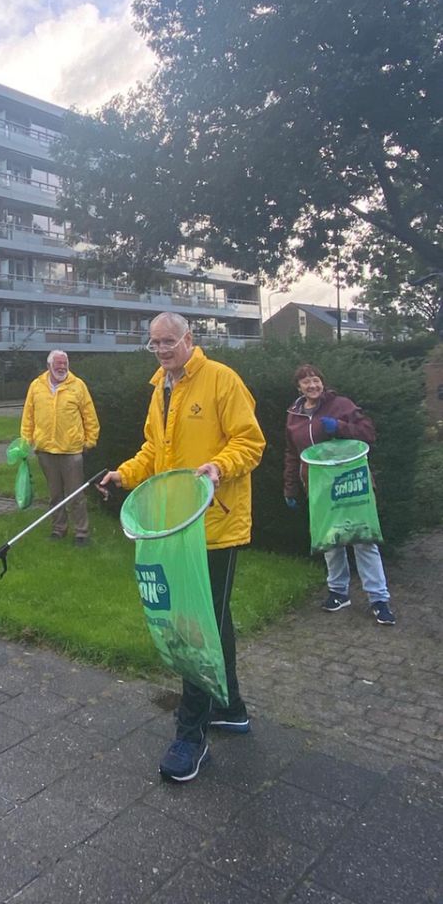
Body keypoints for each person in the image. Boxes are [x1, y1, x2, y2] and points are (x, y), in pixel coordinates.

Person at [99, 313, 265, 784]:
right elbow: (155, 449)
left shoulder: (222, 380)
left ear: (190, 339)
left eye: (169, 341)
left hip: (215, 525)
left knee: (196, 625)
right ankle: (231, 708)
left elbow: (251, 442)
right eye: (154, 344)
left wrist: (219, 466)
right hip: (178, 526)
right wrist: (125, 474)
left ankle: (190, 737)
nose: (162, 350)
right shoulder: (161, 389)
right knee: (214, 618)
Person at [284, 363, 395, 625]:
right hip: (319, 487)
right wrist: (290, 487)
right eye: (306, 382)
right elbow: (291, 453)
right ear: (298, 387)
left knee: (362, 539)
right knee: (330, 540)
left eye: (316, 380)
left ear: (323, 382)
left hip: (350, 482)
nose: (312, 385)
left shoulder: (341, 405)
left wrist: (342, 427)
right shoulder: (293, 415)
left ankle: (379, 599)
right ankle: (338, 592)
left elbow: (369, 433)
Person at [21, 350, 100, 545]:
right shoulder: (36, 386)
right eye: (58, 364)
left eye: (65, 364)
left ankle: (81, 533)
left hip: (71, 450)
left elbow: (90, 415)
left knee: (76, 495)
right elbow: (28, 416)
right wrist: (25, 441)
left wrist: (90, 440)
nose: (62, 367)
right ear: (49, 365)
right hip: (45, 450)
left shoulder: (78, 385)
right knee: (55, 495)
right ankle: (58, 529)